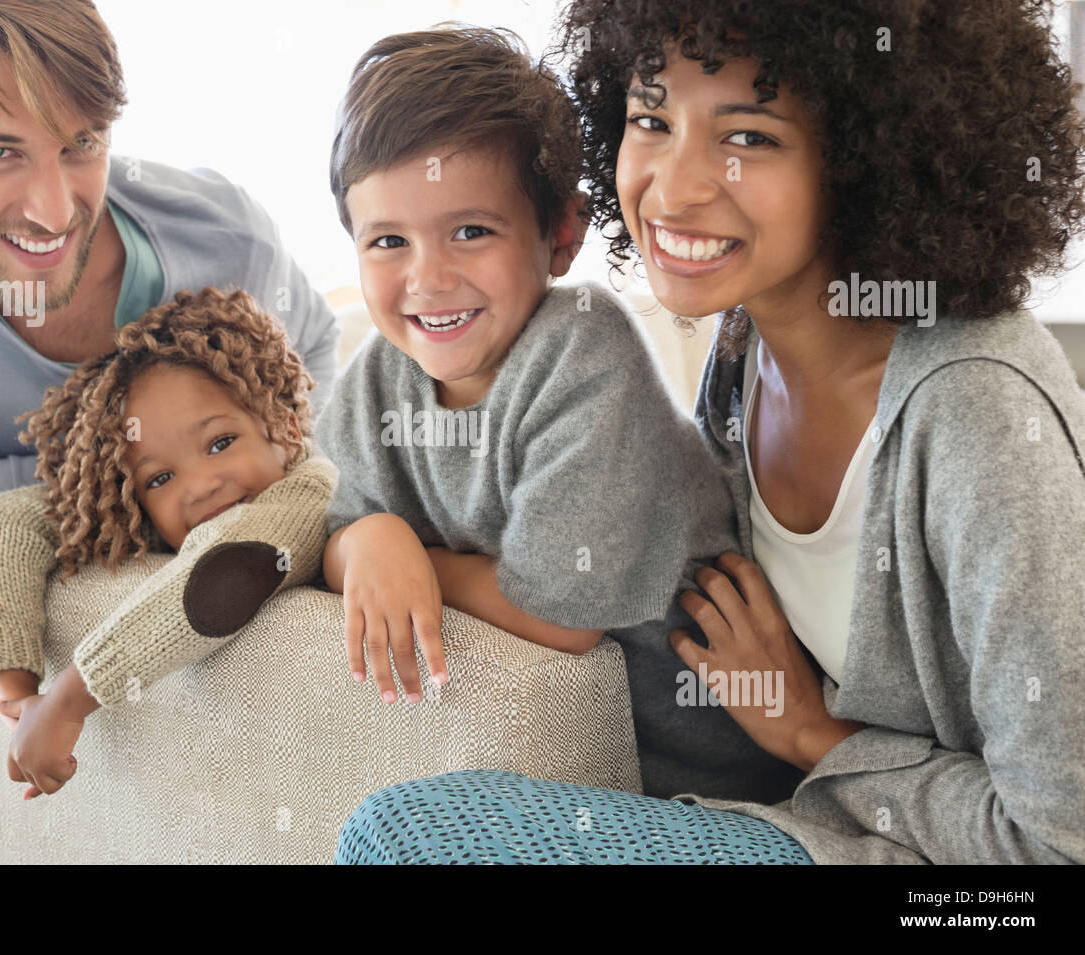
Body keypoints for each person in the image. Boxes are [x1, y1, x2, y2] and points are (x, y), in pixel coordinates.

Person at [336, 0, 1085, 864]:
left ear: (870, 160)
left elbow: (1059, 843)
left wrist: (814, 734)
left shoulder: (976, 412)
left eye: (751, 138)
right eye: (652, 119)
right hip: (779, 821)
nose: (675, 185)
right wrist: (367, 536)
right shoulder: (744, 351)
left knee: (409, 837)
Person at [316, 25, 807, 818]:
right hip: (581, 771)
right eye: (387, 241)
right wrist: (367, 540)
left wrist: (420, 563)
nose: (427, 278)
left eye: (470, 231)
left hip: (732, 780)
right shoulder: (379, 376)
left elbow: (560, 615)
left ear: (562, 234)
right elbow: (322, 519)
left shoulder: (583, 350)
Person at [0, 0, 338, 553]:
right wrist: (146, 471)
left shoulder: (226, 240)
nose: (53, 215)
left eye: (82, 144)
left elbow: (312, 355)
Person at [0, 286, 337, 800]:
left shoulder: (313, 490)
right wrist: (20, 696)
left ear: (286, 429)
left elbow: (226, 566)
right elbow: (5, 522)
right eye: (159, 478)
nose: (200, 485)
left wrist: (68, 700)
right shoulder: (162, 522)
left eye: (221, 443)